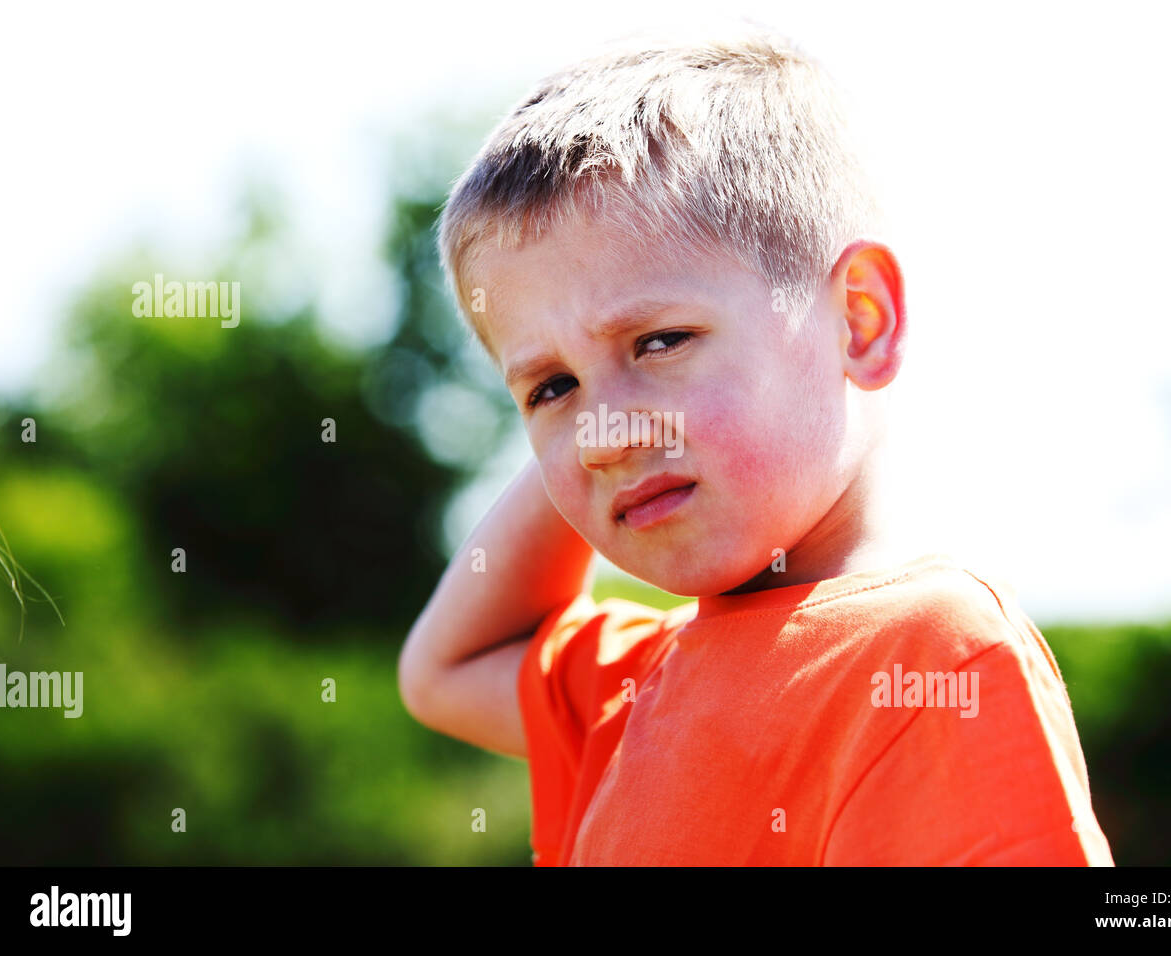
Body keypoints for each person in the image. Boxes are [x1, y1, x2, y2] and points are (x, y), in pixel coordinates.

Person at [398, 20, 1115, 866]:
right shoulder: (637, 681)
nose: (602, 436)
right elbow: (443, 669)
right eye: (550, 389)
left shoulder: (934, 653)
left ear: (859, 319)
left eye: (660, 341)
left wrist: (584, 392)